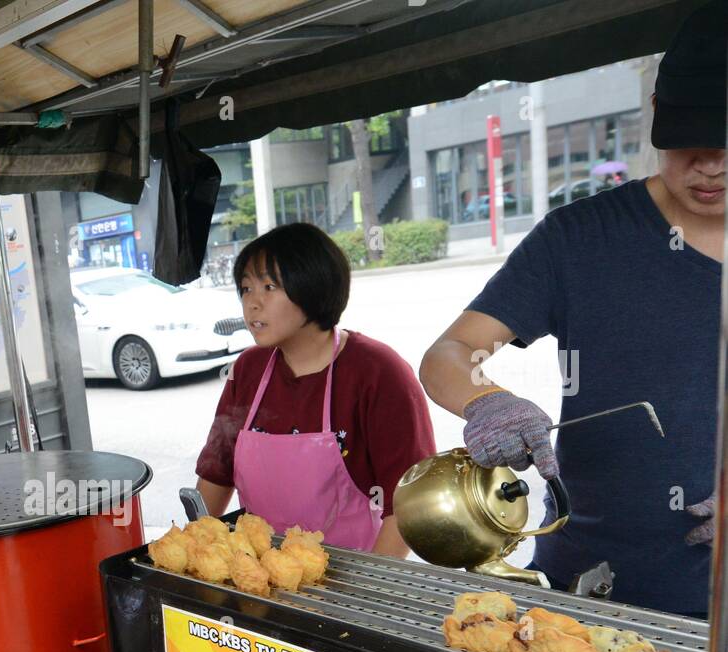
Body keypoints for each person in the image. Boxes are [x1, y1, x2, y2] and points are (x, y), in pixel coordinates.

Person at [419, 0, 725, 617]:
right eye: (689, 143)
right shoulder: (578, 239)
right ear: (657, 115)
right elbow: (448, 354)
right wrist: (486, 400)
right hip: (586, 587)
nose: (711, 166)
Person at [194, 222, 436, 555]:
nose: (252, 303)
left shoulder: (378, 372)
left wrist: (366, 595)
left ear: (313, 285)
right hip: (261, 575)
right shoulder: (249, 369)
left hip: (354, 579)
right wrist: (196, 552)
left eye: (269, 286)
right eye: (246, 288)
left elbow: (410, 503)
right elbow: (217, 472)